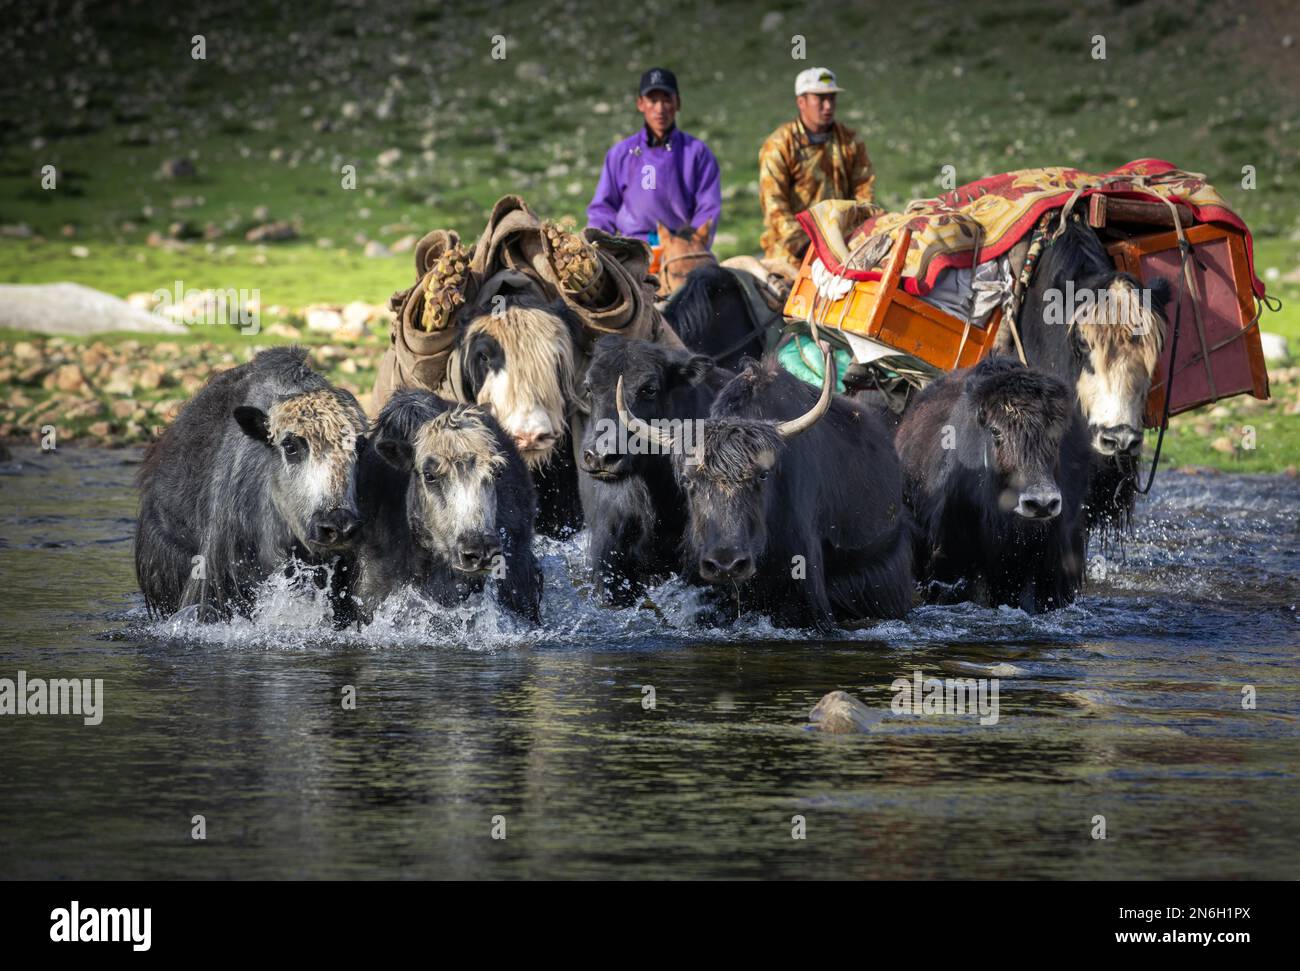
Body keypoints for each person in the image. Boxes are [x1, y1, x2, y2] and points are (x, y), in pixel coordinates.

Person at [587, 68, 722, 249]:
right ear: (641, 104)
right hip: (631, 247)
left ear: (678, 103)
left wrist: (693, 244)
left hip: (680, 248)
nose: (659, 109)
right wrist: (596, 243)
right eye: (653, 100)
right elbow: (603, 208)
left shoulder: (697, 153)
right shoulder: (620, 154)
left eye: (667, 100)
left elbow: (708, 209)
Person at [758, 66, 877, 267]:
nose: (828, 106)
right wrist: (804, 245)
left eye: (832, 98)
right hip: (791, 253)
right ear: (801, 102)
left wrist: (860, 230)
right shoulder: (778, 145)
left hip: (843, 246)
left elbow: (864, 189)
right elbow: (774, 204)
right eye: (820, 99)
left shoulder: (850, 141)